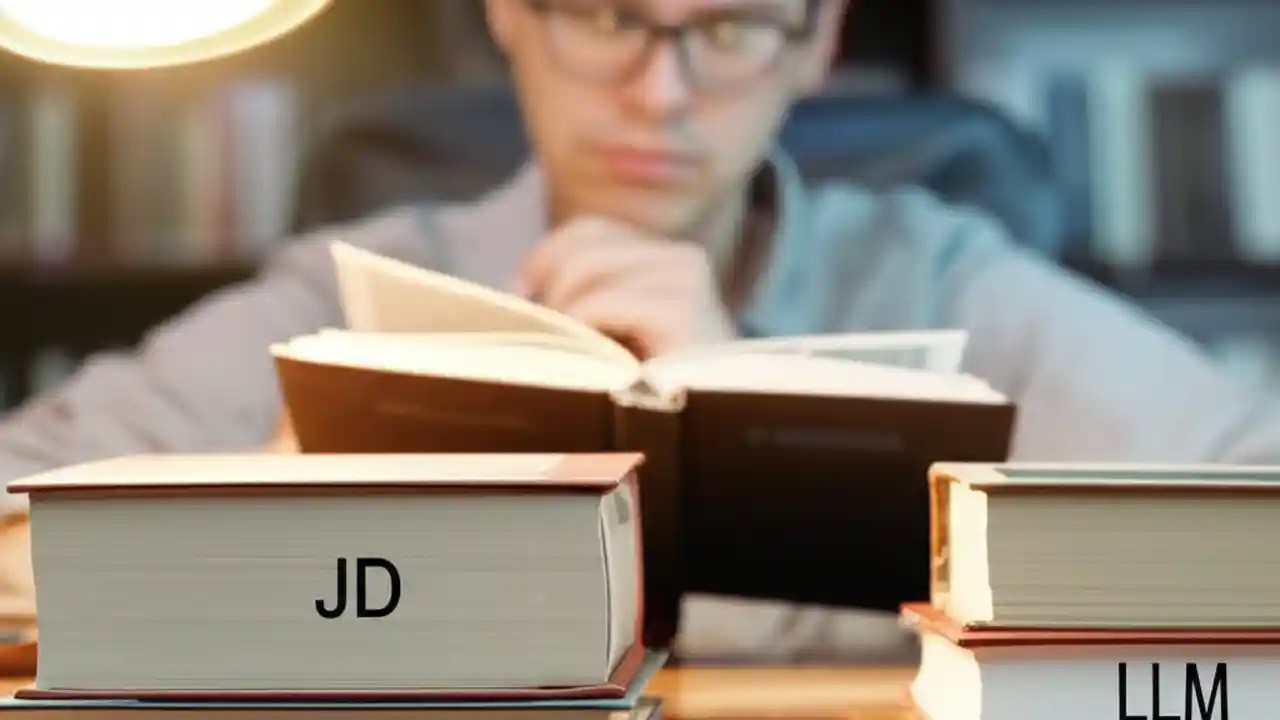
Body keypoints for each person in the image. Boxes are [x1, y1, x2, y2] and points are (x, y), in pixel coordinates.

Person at [1, 0, 1279, 660]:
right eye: (607, 15)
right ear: (510, 14)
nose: (659, 94)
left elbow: (1254, 520)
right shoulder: (346, 295)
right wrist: (261, 525)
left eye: (725, 28)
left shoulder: (948, 281)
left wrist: (746, 423)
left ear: (814, 41)